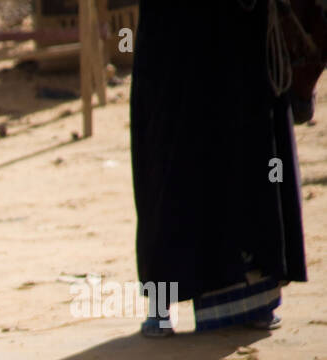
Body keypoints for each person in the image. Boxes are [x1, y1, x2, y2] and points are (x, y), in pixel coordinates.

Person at [131, 0, 311, 337]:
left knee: (200, 153)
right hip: (185, 34)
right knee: (170, 153)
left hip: (234, 27)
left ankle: (244, 297)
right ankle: (164, 303)